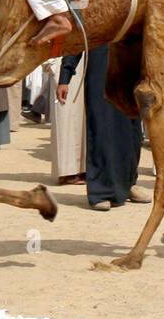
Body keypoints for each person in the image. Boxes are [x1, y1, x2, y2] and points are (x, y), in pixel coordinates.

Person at [58, 45, 144, 209]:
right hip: (100, 70)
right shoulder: (89, 17)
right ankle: (101, 192)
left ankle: (129, 184)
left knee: (132, 134)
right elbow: (76, 41)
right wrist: (65, 77)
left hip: (129, 70)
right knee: (102, 129)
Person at [51, 56, 87, 184]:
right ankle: (66, 171)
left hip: (85, 62)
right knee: (66, 118)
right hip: (65, 62)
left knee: (83, 120)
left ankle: (84, 168)